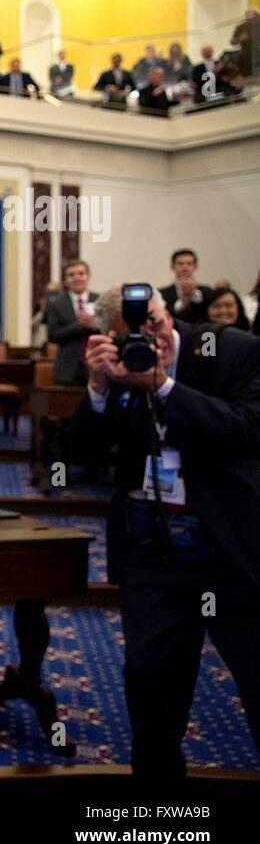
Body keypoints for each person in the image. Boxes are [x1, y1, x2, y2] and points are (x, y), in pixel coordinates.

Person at [68, 287, 260, 776]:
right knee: (150, 689)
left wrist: (164, 387)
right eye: (135, 332)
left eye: (154, 322)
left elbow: (248, 429)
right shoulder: (117, 369)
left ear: (167, 312)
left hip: (231, 552)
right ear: (110, 337)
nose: (150, 337)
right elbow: (74, 457)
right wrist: (98, 387)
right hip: (154, 555)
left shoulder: (229, 348)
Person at [45, 260, 99, 386]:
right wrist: (77, 326)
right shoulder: (56, 303)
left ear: (88, 277)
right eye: (72, 275)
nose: (77, 278)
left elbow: (111, 330)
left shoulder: (100, 300)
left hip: (96, 364)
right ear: (66, 280)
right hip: (67, 368)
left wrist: (95, 325)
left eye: (81, 274)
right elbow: (52, 335)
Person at [159, 249, 216, 324]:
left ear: (195, 267)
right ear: (172, 267)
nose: (184, 268)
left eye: (189, 264)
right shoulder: (161, 293)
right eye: (180, 264)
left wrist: (194, 294)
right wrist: (183, 301)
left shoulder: (207, 292)